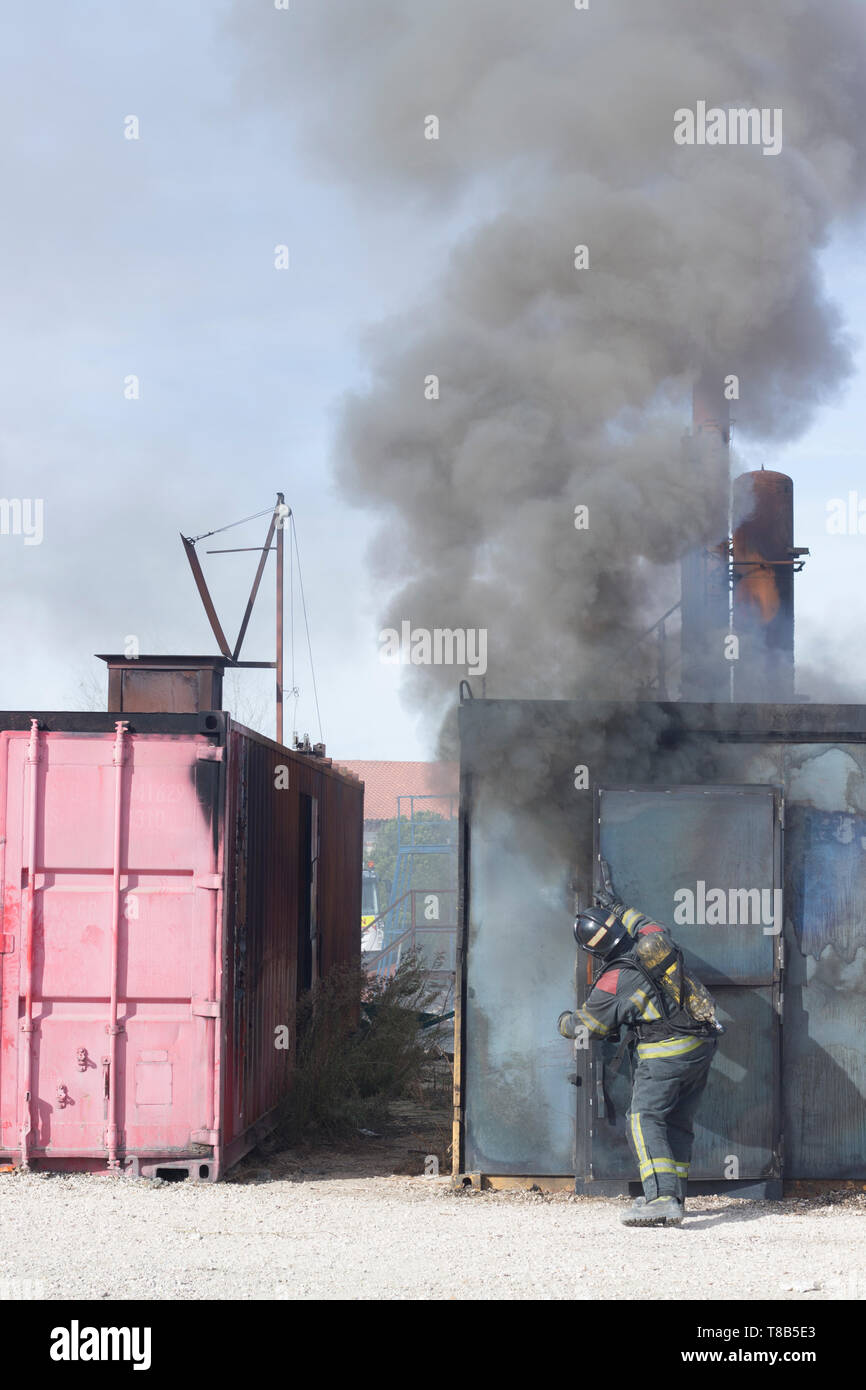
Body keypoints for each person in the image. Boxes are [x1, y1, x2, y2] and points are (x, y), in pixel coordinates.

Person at [558, 880, 722, 1227]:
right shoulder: (656, 940)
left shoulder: (614, 980)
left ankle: (661, 1199)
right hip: (701, 1046)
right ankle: (673, 1194)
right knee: (676, 1121)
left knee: (643, 1118)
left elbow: (587, 1026)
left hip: (666, 1054)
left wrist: (563, 1022)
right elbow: (645, 922)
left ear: (594, 951)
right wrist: (617, 907)